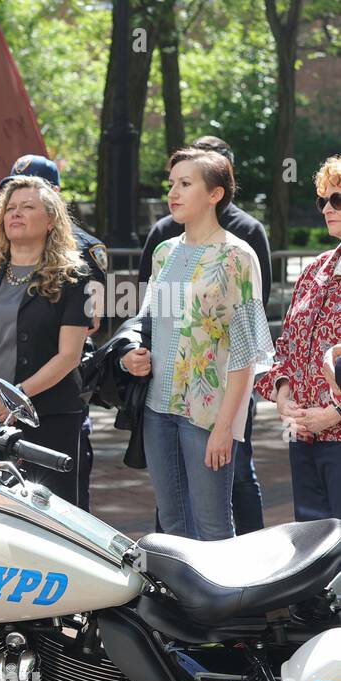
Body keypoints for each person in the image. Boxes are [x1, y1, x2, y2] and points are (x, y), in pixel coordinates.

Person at [121, 148, 272, 540]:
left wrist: (226, 428)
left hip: (207, 414)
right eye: (172, 184)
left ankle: (224, 603)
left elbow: (246, 352)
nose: (174, 192)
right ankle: (183, 604)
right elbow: (151, 323)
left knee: (213, 526)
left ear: (215, 194)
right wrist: (131, 356)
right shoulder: (163, 253)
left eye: (186, 184)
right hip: (157, 409)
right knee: (172, 525)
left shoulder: (238, 256)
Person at [0, 175, 93, 504]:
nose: (15, 213)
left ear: (50, 220)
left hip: (50, 420)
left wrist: (15, 399)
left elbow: (69, 356)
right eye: (10, 208)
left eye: (27, 207)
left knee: (50, 518)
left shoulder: (76, 279)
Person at [1, 154, 106, 511]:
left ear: (56, 196)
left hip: (59, 381)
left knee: (62, 491)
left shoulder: (84, 249)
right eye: (11, 195)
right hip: (2, 382)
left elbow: (90, 321)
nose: (17, 208)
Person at [258, 156, 341, 520]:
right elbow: (286, 346)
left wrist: (335, 414)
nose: (326, 208)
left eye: (337, 200)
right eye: (323, 199)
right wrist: (281, 391)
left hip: (335, 436)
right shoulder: (315, 269)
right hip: (303, 437)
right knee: (313, 551)